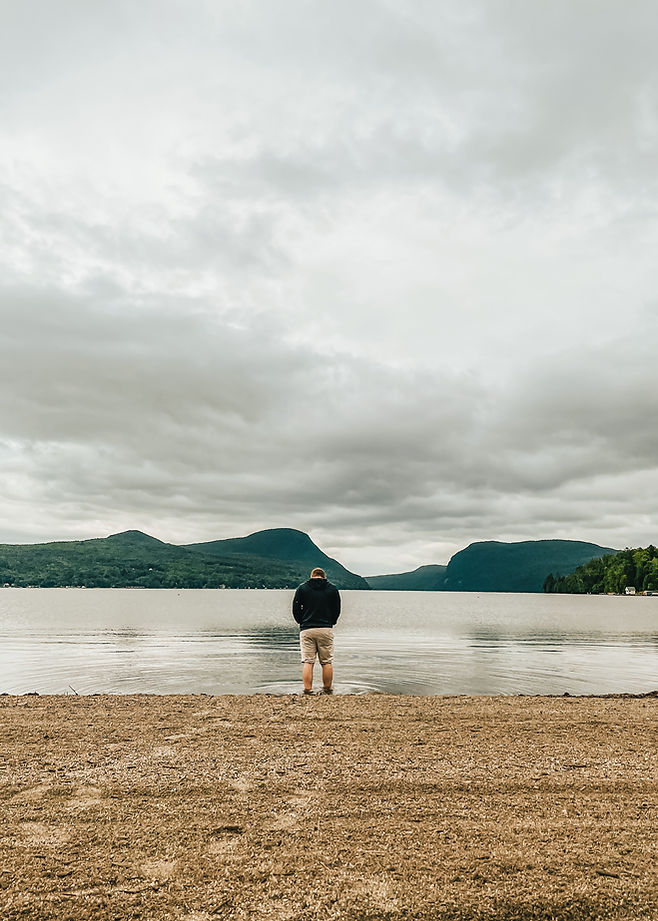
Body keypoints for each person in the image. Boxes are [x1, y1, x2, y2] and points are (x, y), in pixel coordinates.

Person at [292, 567, 341, 695]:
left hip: (307, 629)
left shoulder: (302, 588)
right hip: (325, 628)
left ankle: (308, 690)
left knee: (308, 661)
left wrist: (301, 622)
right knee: (326, 662)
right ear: (324, 577)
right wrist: (332, 622)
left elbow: (296, 608)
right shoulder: (332, 589)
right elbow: (337, 608)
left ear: (311, 576)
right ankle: (327, 690)